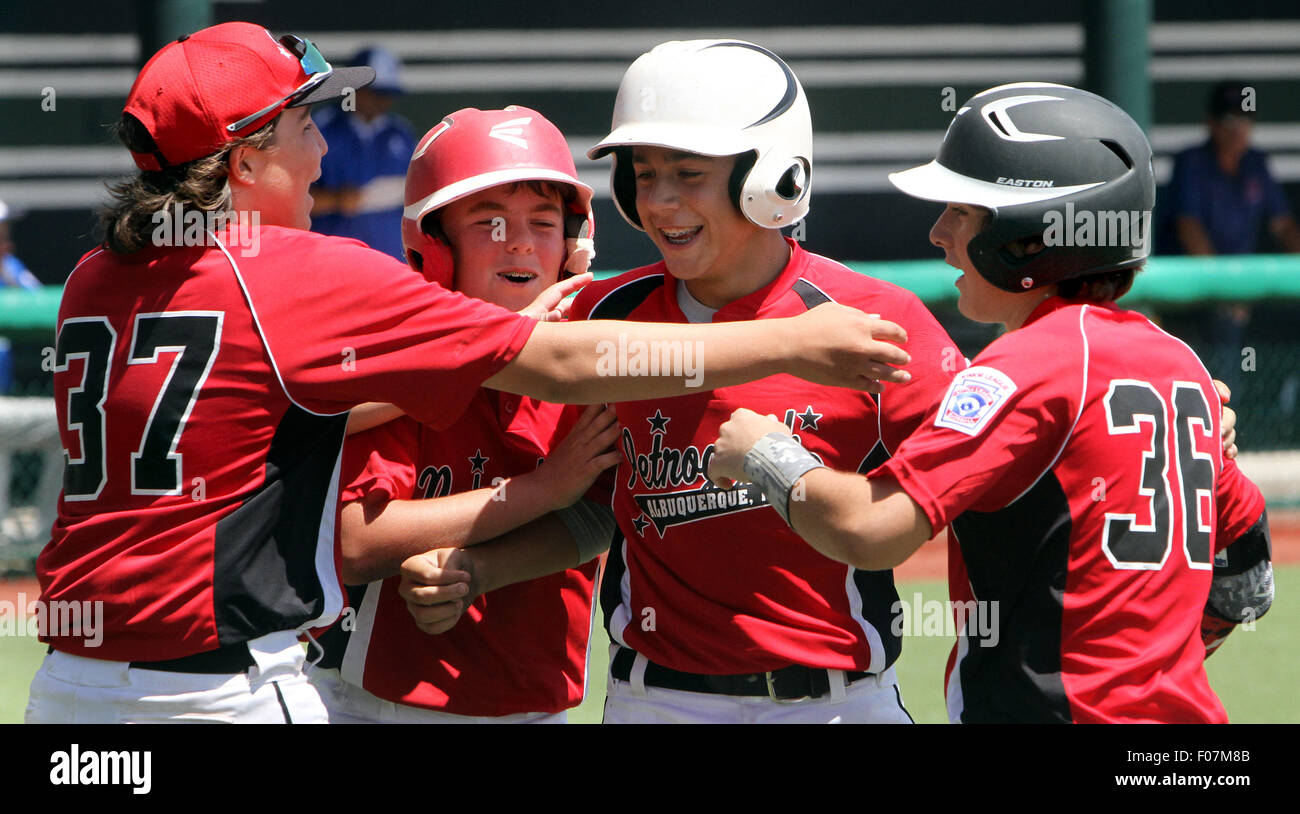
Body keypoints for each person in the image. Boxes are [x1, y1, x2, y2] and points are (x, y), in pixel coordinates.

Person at [25, 22, 913, 725]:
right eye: (305, 125)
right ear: (245, 159)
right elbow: (562, 366)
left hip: (67, 686)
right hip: (224, 688)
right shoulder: (299, 273)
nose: (327, 153)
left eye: (540, 218)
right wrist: (789, 343)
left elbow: (283, 404)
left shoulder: (92, 276)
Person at [709, 83, 1274, 723]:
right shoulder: (1183, 366)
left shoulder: (1027, 365)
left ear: (1027, 238)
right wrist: (1145, 675)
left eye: (962, 210)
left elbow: (871, 531)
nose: (939, 232)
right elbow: (1246, 582)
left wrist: (766, 452)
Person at [547, 39, 963, 724]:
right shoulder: (604, 314)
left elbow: (994, 469)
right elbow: (589, 508)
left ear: (775, 179)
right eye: (644, 175)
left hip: (838, 705)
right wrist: (484, 565)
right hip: (654, 703)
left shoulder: (874, 320)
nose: (660, 202)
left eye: (688, 174)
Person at [310, 107, 619, 723]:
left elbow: (597, 517)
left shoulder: (596, 348)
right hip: (378, 702)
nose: (522, 241)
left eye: (543, 221)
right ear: (435, 247)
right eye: (488, 222)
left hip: (537, 700)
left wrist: (481, 568)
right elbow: (355, 543)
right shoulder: (395, 355)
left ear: (575, 244)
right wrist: (539, 490)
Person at [310, 46, 415, 260]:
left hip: (390, 260)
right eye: (375, 92)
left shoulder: (401, 134)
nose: (382, 101)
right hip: (333, 260)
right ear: (352, 88)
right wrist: (337, 199)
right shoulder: (320, 129)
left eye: (388, 93)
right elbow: (290, 196)